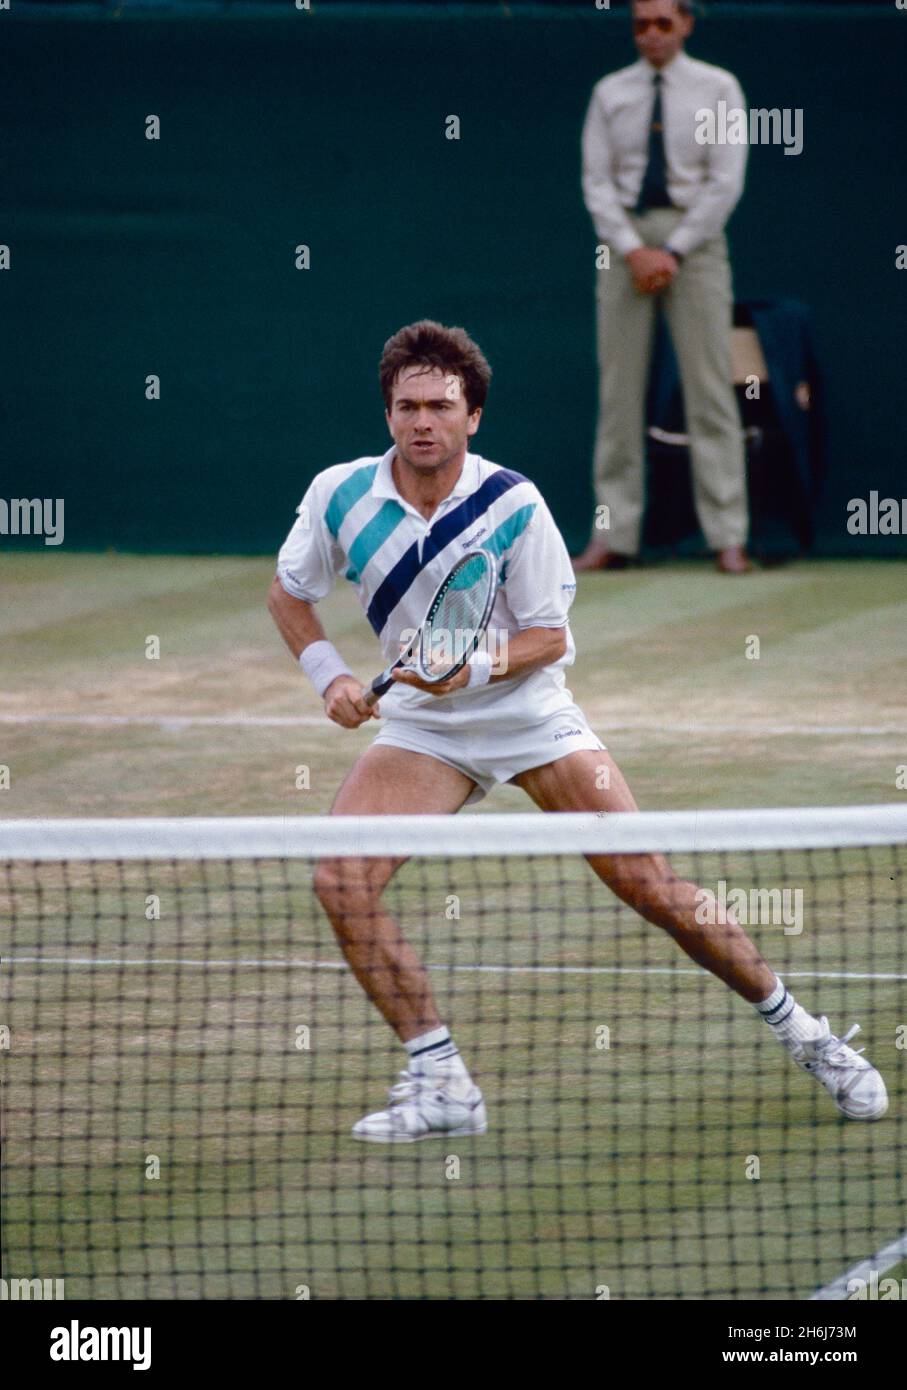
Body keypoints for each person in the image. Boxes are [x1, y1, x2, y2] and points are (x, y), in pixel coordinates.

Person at [267, 319, 886, 1142]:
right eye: (407, 406)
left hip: (528, 716)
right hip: (422, 728)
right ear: (387, 414)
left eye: (441, 406)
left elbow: (550, 637)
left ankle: (804, 1033)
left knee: (650, 887)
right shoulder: (338, 494)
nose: (423, 421)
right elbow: (288, 592)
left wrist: (473, 667)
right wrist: (332, 677)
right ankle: (441, 1080)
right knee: (341, 882)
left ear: (472, 415)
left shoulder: (511, 504)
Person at [576, 0, 751, 575]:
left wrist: (674, 249)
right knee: (617, 392)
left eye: (662, 23)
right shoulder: (610, 92)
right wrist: (632, 248)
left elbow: (725, 180)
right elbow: (597, 182)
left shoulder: (719, 86)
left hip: (695, 243)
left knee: (710, 391)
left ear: (686, 24)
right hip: (625, 244)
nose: (651, 35)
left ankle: (727, 536)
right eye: (640, 25)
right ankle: (613, 535)